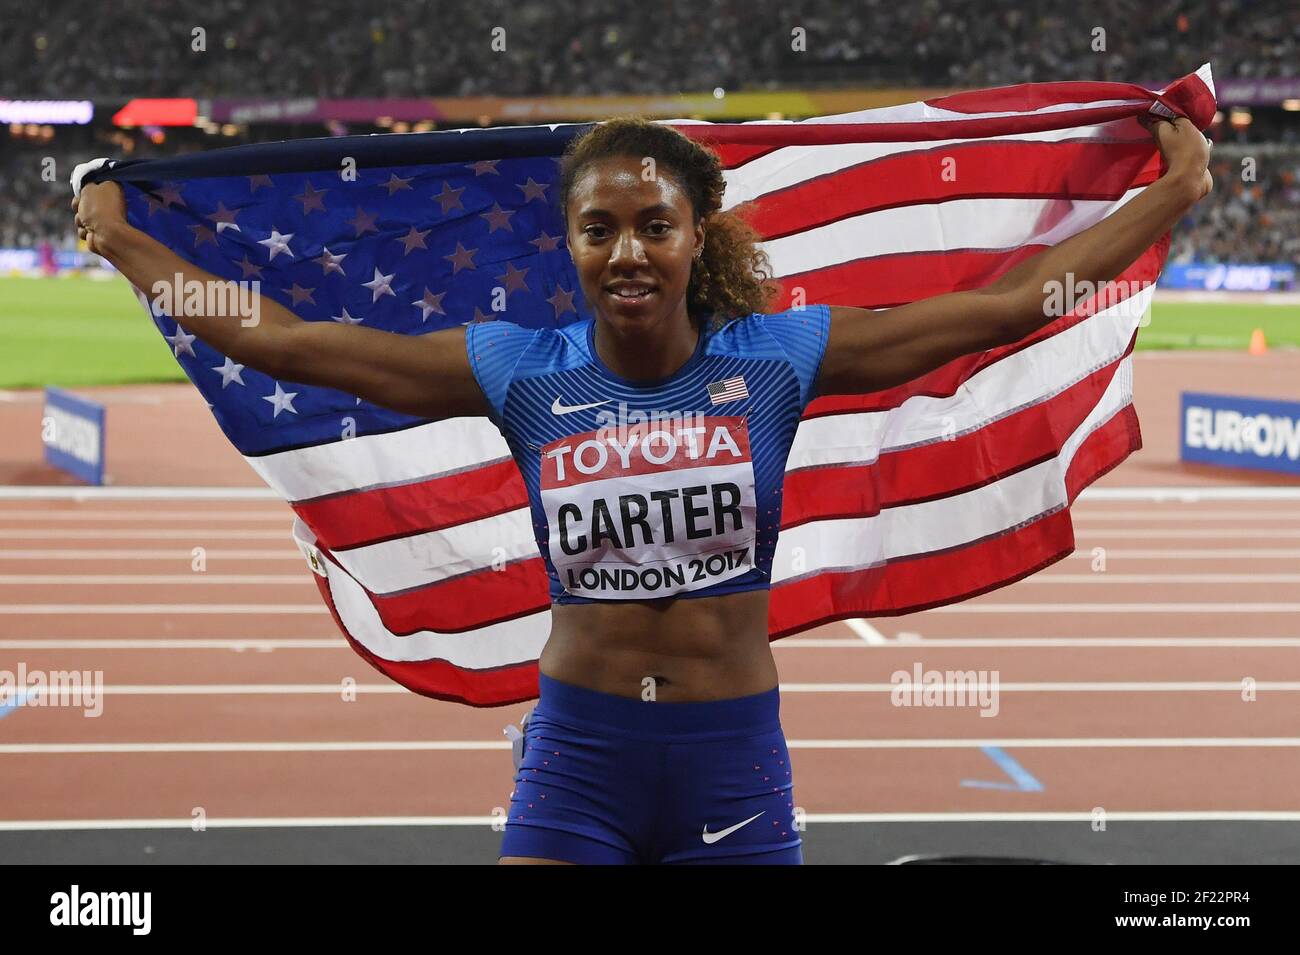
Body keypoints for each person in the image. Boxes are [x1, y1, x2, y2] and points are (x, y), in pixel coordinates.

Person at [72, 115, 1211, 865]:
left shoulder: (774, 358)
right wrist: (123, 241)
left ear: (693, 235)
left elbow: (1010, 308)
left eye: (653, 226)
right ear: (567, 243)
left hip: (731, 755)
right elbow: (291, 344)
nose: (627, 252)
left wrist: (1180, 186)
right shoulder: (517, 367)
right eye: (600, 228)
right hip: (579, 754)